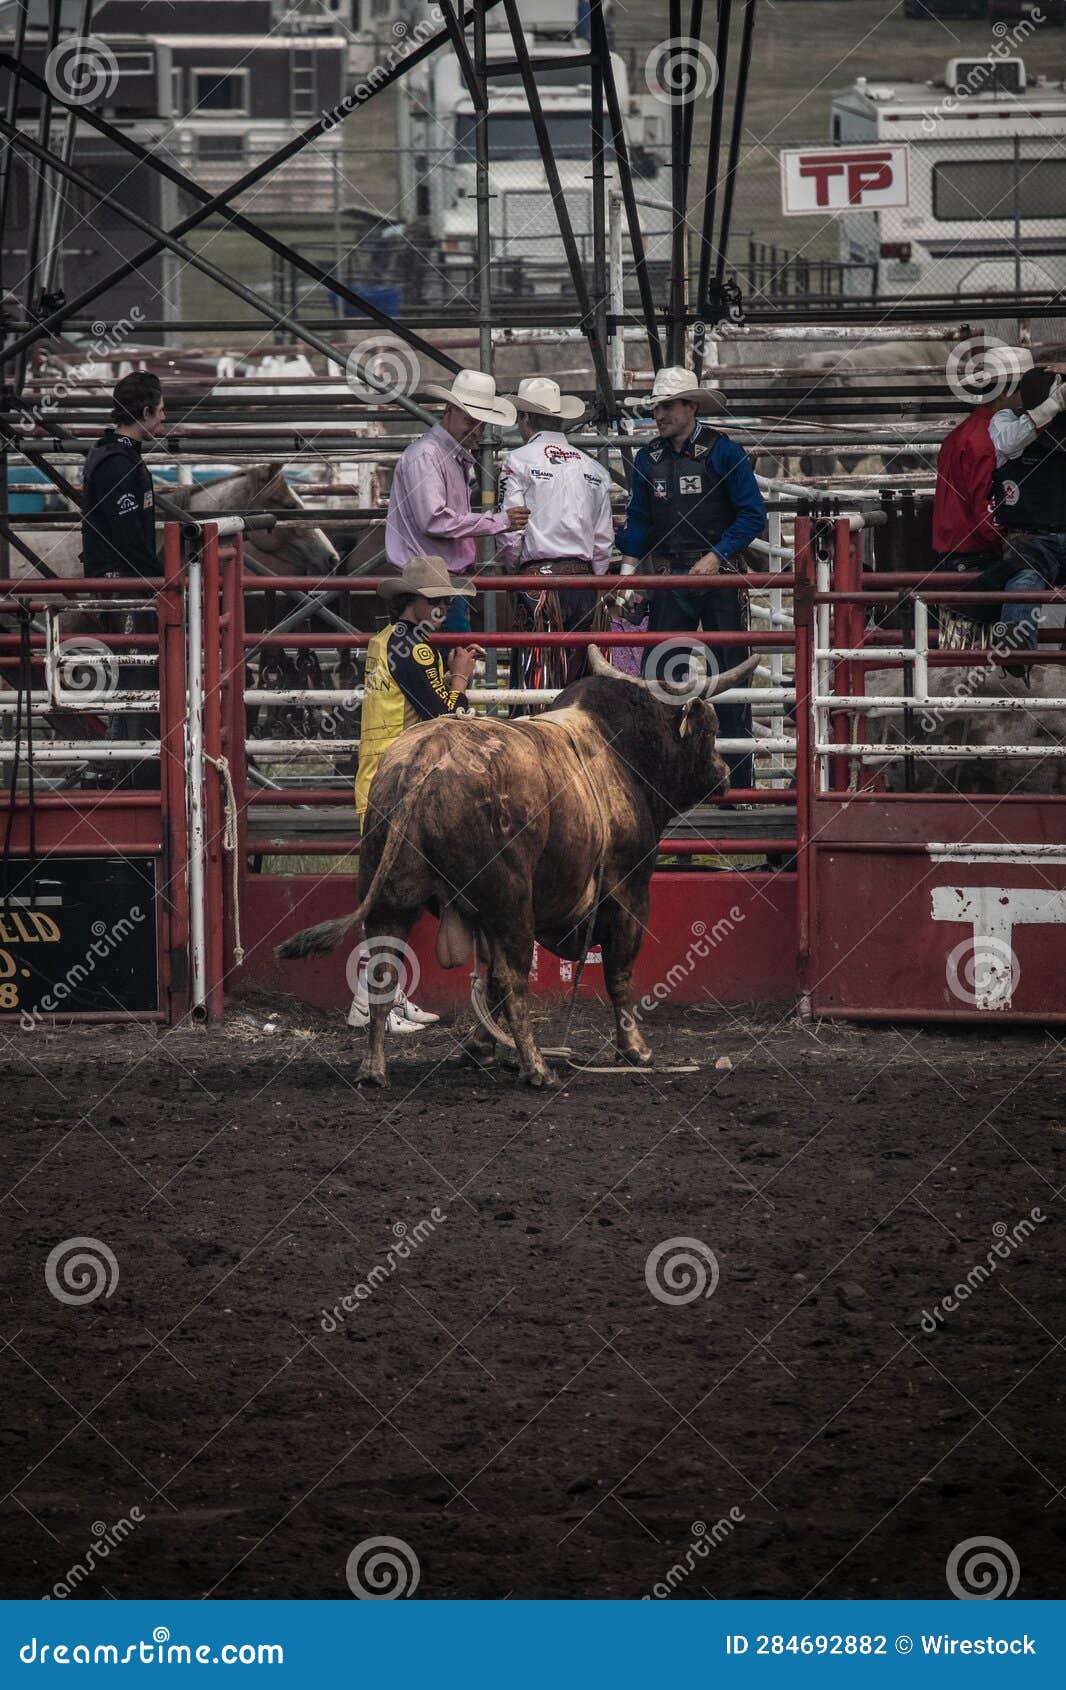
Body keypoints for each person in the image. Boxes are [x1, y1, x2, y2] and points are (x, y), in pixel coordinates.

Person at [615, 366, 767, 791]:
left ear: (689, 407)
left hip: (716, 577)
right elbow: (640, 522)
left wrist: (718, 555)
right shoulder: (649, 458)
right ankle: (664, 784)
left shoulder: (724, 452)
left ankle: (738, 787)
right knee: (662, 680)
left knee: (730, 673)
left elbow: (753, 514)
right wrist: (627, 578)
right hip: (671, 576)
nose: (658, 415)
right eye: (656, 407)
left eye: (665, 406)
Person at [349, 555, 482, 1035]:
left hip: (378, 776)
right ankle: (370, 1001)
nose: (445, 607)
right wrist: (461, 676)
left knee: (390, 890)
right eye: (439, 601)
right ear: (417, 603)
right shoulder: (419, 651)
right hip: (399, 783)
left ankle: (384, 995)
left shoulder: (382, 643)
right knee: (390, 895)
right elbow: (446, 716)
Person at [384, 368, 529, 635]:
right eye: (470, 420)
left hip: (437, 582)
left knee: (440, 659)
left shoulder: (442, 456)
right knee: (448, 657)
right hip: (431, 585)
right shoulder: (428, 456)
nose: (477, 430)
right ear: (448, 410)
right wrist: (499, 521)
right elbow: (434, 519)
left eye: (481, 423)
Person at [495, 376, 614, 693]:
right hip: (586, 585)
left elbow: (510, 530)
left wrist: (512, 566)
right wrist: (597, 580)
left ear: (525, 418)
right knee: (583, 681)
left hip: (539, 586)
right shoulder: (594, 470)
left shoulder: (518, 461)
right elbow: (603, 542)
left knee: (537, 681)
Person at [81, 371, 168, 789]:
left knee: (137, 673)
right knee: (136, 671)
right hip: (125, 587)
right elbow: (128, 534)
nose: (164, 419)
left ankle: (132, 765)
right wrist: (157, 580)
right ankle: (131, 769)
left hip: (124, 583)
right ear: (147, 410)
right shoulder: (118, 461)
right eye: (161, 409)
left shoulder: (115, 455)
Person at [931, 347, 1034, 578]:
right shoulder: (988, 440)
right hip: (976, 557)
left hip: (954, 554)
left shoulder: (962, 433)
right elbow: (988, 511)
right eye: (1024, 388)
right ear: (1007, 390)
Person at [988, 366, 1066, 651]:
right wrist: (1052, 406)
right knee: (1024, 577)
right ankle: (1015, 647)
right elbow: (1007, 442)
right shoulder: (1006, 421)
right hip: (1030, 540)